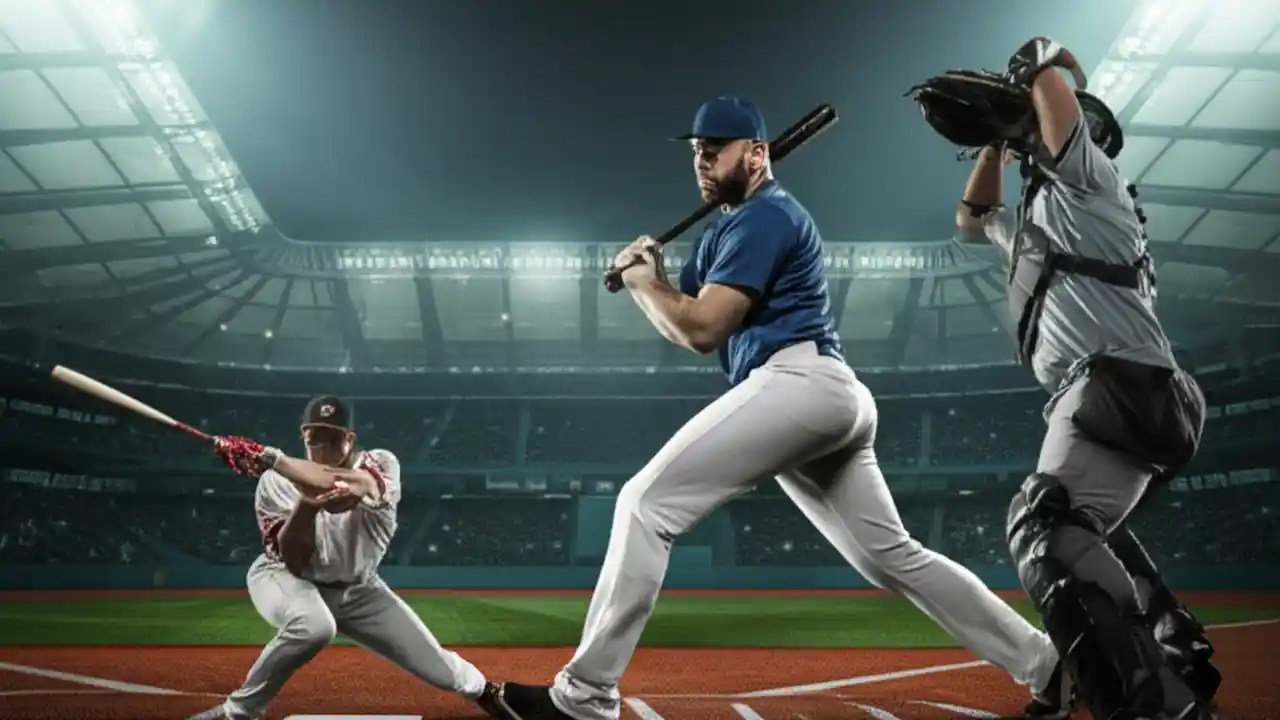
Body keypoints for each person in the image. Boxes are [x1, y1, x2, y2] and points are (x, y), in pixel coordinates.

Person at [494, 96, 1065, 720]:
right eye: (696, 154)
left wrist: (640, 282)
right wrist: (650, 275)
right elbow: (680, 318)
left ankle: (584, 696)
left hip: (800, 382)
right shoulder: (727, 231)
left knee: (644, 503)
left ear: (758, 153)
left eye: (716, 151)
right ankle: (1051, 667)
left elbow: (703, 329)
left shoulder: (765, 218)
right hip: (822, 395)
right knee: (892, 557)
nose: (703, 163)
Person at [951, 37, 1219, 720]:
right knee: (1086, 527)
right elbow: (971, 221)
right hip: (1112, 388)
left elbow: (1055, 101)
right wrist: (994, 146)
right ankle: (1171, 639)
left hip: (1118, 383)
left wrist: (1040, 62)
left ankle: (1150, 704)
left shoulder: (1091, 180)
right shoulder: (1044, 220)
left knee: (1045, 526)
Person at [187, 396, 503, 720]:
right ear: (304, 439)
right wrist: (305, 506)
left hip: (360, 588)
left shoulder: (380, 462)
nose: (321, 447)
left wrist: (271, 457)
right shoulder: (274, 481)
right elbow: (293, 561)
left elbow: (349, 492)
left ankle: (491, 693)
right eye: (313, 440)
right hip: (285, 577)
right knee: (314, 627)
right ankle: (237, 713)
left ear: (349, 439)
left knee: (440, 669)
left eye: (331, 438)